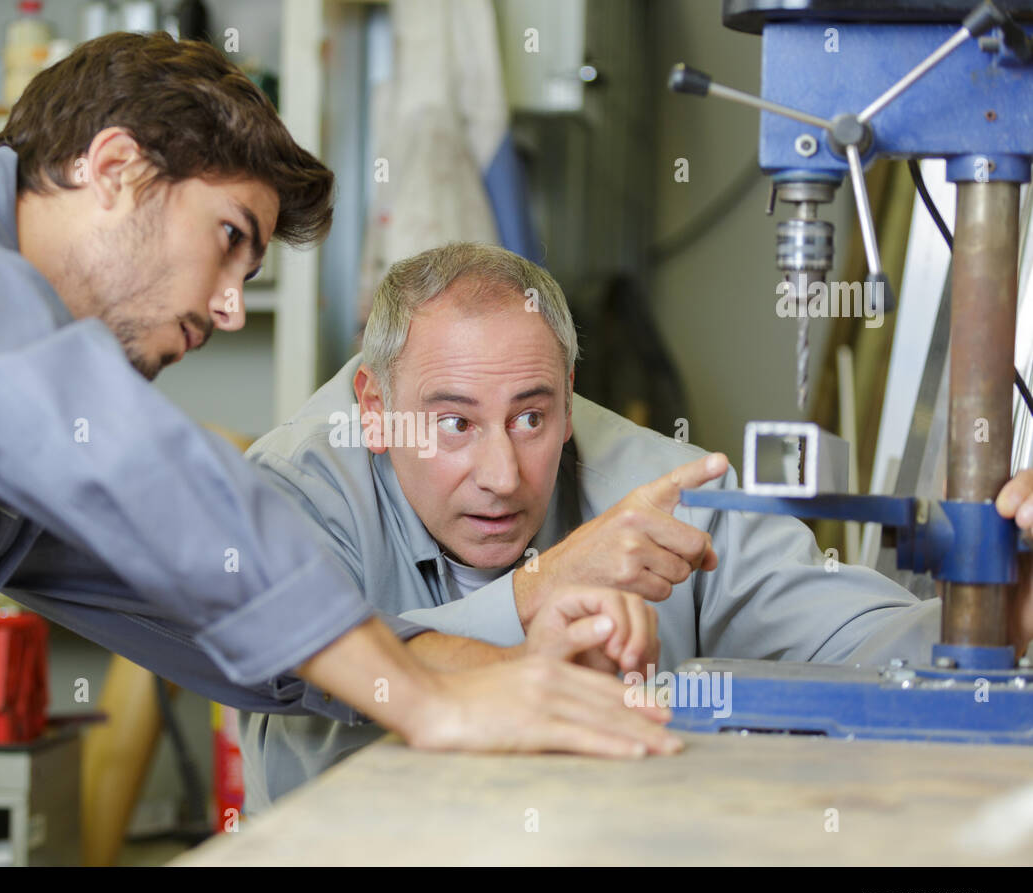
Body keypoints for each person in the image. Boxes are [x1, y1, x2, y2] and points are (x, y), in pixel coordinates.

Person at [0, 36, 666, 854]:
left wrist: (519, 677)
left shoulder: (18, 470)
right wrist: (431, 707)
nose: (228, 306)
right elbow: (122, 456)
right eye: (228, 238)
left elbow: (255, 649)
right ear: (115, 169)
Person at [238, 240, 1033, 811]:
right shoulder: (294, 492)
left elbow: (853, 643)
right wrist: (539, 589)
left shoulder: (655, 486)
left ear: (569, 390)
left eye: (532, 417)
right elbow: (319, 666)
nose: (501, 475)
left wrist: (1007, 613)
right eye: (453, 424)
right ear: (375, 410)